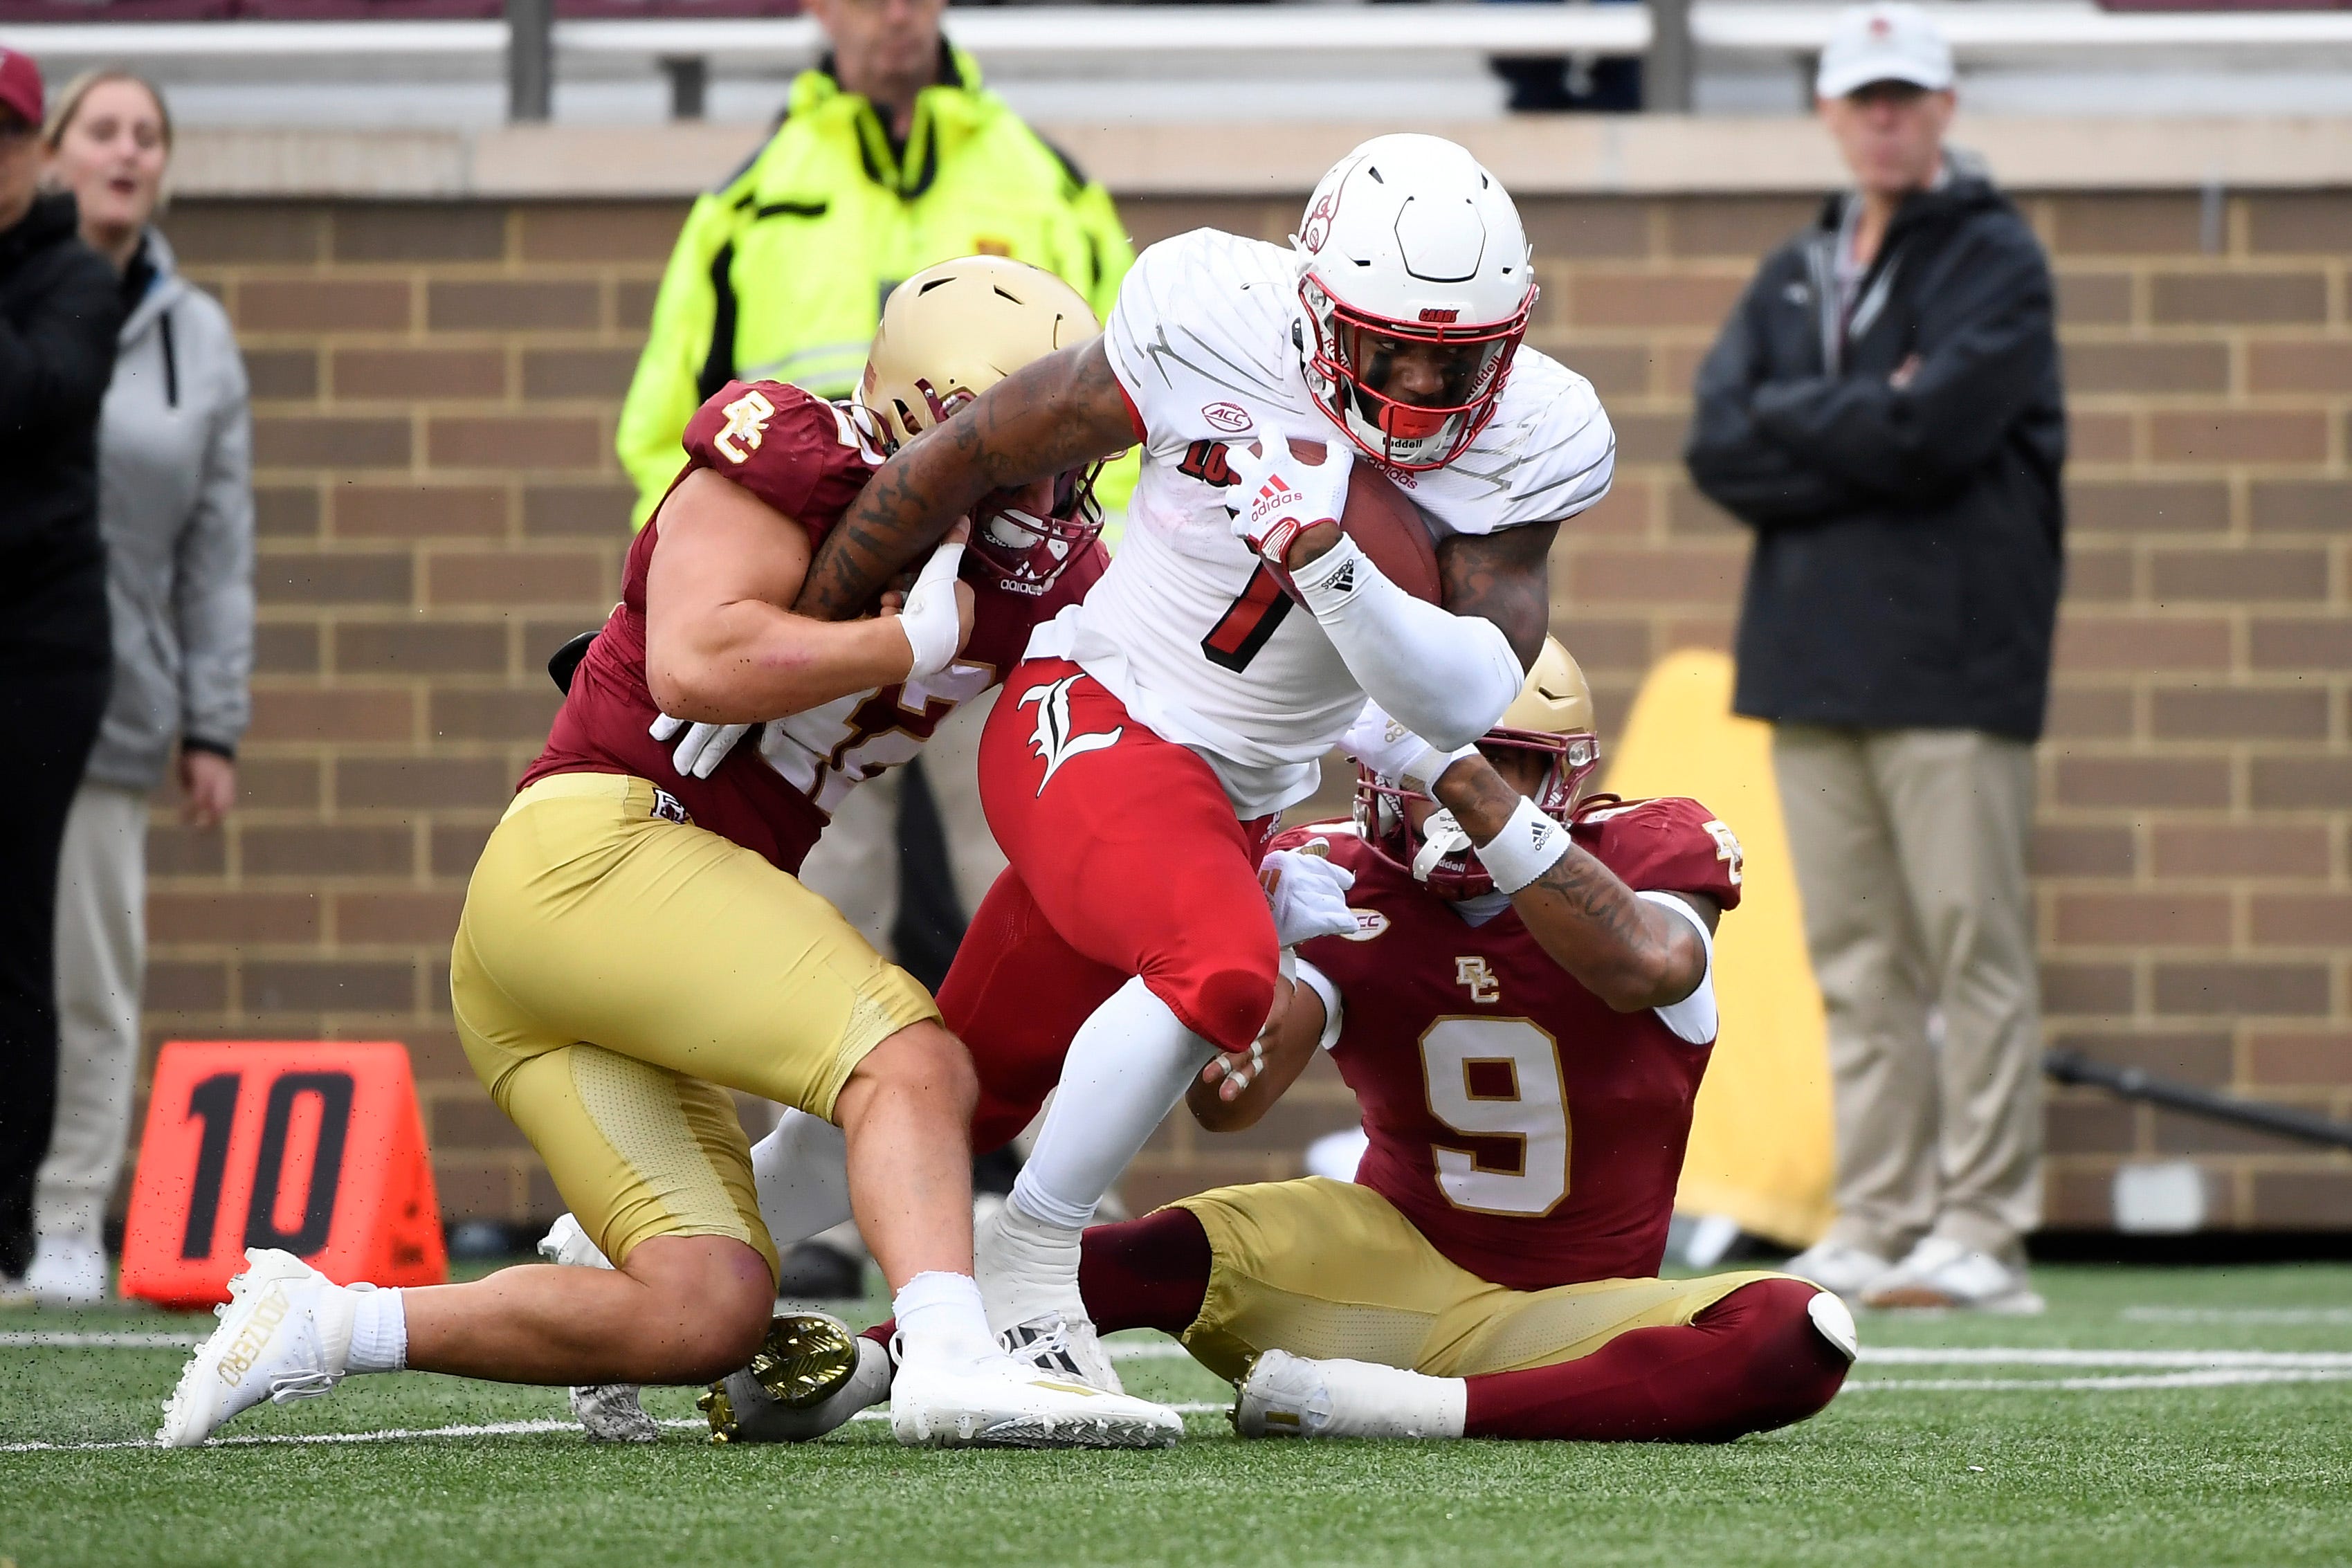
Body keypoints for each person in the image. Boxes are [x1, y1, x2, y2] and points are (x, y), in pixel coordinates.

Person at [157, 257, 1181, 1451]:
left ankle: (327, 1321)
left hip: (612, 940)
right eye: (1046, 451)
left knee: (705, 1304)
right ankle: (951, 1357)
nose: (1068, 492)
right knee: (915, 1063)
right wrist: (903, 642)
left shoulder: (1041, 574)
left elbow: (1153, 691)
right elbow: (696, 662)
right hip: (594, 858)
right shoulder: (796, 451)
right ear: (938, 414)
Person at [776, 132, 1616, 1389]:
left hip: (1235, 801)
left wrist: (1328, 564)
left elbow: (1462, 691)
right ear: (1314, 303)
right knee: (1222, 971)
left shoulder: (1539, 432)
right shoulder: (1209, 309)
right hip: (1096, 712)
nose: (1419, 386)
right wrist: (819, 626)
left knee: (964, 1083)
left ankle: (659, 1250)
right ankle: (1032, 1266)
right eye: (1388, 345)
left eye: (1457, 359)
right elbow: (973, 449)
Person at [698, 645, 1854, 1446]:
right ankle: (867, 1367)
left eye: (1511, 771)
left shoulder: (1653, 854)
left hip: (1572, 1307)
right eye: (1457, 769)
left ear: (1571, 779)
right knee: (1153, 1252)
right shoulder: (1344, 875)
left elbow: (1643, 965)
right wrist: (1271, 943)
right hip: (1379, 1262)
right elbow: (1230, 1104)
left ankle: (1382, 1410)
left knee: (1798, 1334)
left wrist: (1465, 779)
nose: (1471, 803)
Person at [1683, 2, 2065, 1313]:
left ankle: (1984, 1226)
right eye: (1865, 98)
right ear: (1831, 115)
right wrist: (1867, 413)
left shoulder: (1998, 260)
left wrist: (1817, 426)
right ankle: (1885, 1214)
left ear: (1944, 108)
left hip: (1957, 661)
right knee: (1854, 957)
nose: (1886, 117)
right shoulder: (1797, 268)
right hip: (1812, 659)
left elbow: (1943, 433)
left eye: (1907, 96)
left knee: (1974, 946)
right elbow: (1720, 441)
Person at [27, 71, 252, 1307]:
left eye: (146, 135)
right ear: (50, 152)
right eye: (100, 130)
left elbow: (219, 551)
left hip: (117, 701)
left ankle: (67, 1214)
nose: (124, 153)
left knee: (89, 971)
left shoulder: (196, 334)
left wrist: (211, 715)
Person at [0, 47, 122, 1304]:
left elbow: (34, 395)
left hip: (38, 651)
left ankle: (15, 1222)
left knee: (20, 938)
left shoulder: (74, 278)